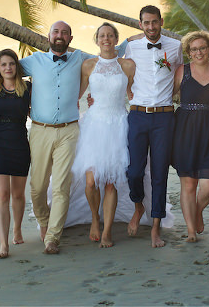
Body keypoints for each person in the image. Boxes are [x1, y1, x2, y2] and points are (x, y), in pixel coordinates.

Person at [19, 21, 94, 254]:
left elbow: (109, 55)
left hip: (69, 130)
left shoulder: (80, 58)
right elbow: (3, 66)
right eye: (56, 32)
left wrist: (131, 42)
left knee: (62, 186)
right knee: (37, 187)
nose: (59, 36)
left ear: (70, 38)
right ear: (48, 36)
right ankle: (44, 221)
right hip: (40, 130)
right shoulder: (33, 61)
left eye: (64, 33)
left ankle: (53, 237)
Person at [69, 22, 135, 248]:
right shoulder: (88, 65)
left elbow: (134, 94)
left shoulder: (127, 65)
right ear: (96, 40)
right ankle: (94, 218)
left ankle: (106, 231)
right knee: (90, 182)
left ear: (117, 39)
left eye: (110, 35)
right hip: (94, 125)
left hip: (118, 124)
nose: (106, 39)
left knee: (110, 183)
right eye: (102, 36)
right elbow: (76, 95)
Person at [123, 5, 183, 248]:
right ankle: (138, 206)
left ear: (161, 22)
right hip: (137, 116)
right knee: (134, 171)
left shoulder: (175, 47)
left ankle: (156, 227)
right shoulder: (132, 47)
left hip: (164, 118)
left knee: (160, 173)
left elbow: (179, 76)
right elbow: (123, 74)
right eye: (146, 23)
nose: (150, 27)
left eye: (154, 22)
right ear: (140, 24)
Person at [171, 31, 209, 242]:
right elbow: (167, 95)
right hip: (185, 131)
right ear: (188, 52)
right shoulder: (182, 71)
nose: (198, 52)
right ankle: (190, 230)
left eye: (202, 48)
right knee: (188, 184)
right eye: (194, 49)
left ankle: (197, 211)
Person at [0, 49, 31, 259]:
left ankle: (17, 230)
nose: (8, 68)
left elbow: (40, 110)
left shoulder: (27, 88)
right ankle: (3, 244)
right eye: (3, 64)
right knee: (2, 194)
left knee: (18, 194)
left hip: (21, 143)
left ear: (16, 66)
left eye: (11, 63)